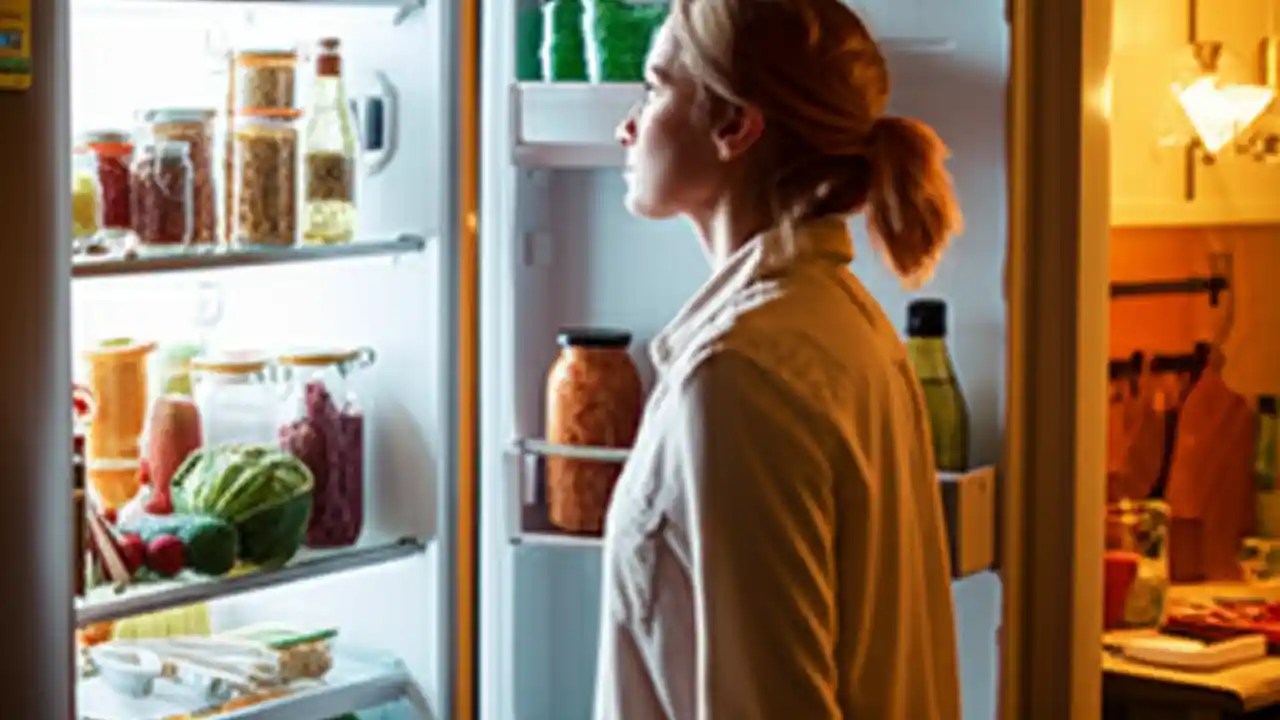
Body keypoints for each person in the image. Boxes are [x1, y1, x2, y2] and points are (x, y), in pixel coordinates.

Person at [593, 0, 964, 718]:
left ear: (734, 125)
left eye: (655, 86)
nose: (627, 126)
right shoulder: (845, 323)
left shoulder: (738, 374)